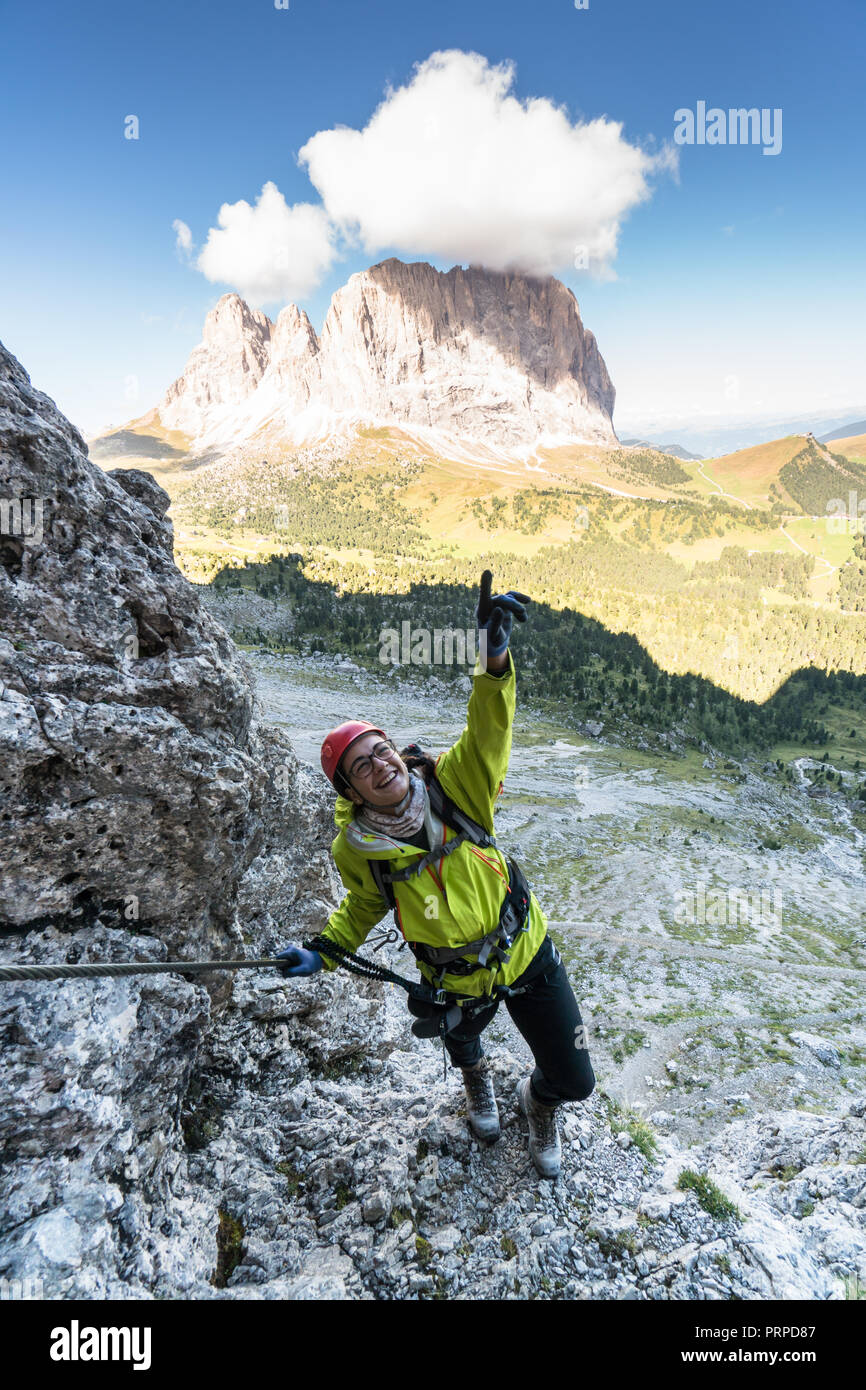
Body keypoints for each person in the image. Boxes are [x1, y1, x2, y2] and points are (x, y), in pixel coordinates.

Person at [277, 572, 595, 1177]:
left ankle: (539, 1101)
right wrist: (326, 950)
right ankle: (476, 1079)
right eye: (360, 767)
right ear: (350, 790)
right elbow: (363, 906)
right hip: (452, 978)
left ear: (397, 751)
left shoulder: (456, 785)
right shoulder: (360, 848)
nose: (378, 765)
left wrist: (493, 658)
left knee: (575, 1081)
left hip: (525, 953)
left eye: (380, 750)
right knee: (462, 1041)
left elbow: (489, 728)